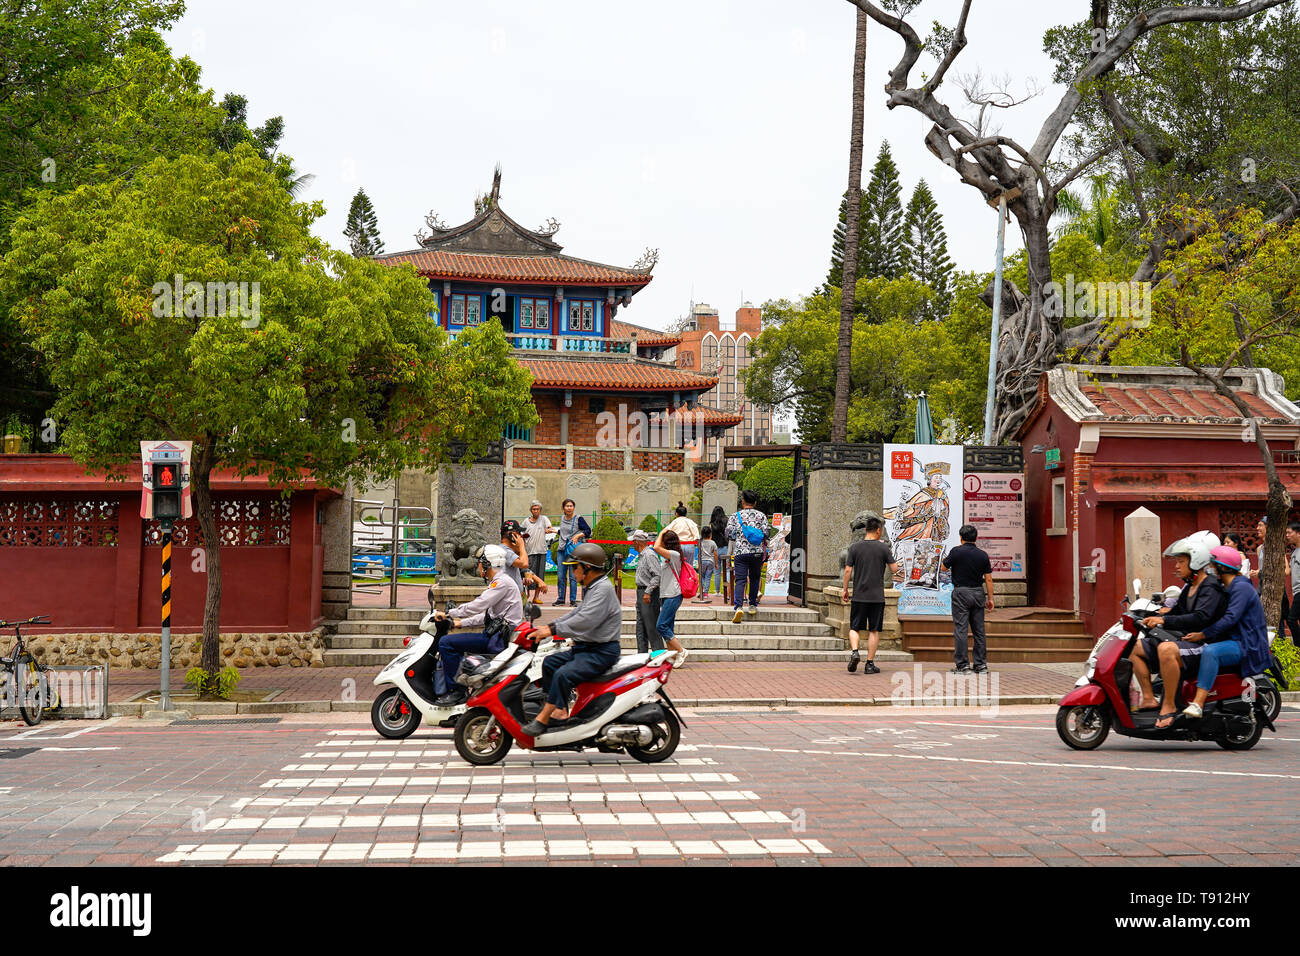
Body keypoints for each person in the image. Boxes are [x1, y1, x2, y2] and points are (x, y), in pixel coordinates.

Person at [520, 543, 624, 737]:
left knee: (563, 675)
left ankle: (543, 718)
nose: (573, 572)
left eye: (575, 567)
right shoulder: (594, 587)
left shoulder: (602, 590)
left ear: (587, 568)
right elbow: (577, 613)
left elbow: (585, 621)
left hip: (601, 651)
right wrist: (548, 627)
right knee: (550, 663)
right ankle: (559, 710)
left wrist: (552, 630)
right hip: (586, 649)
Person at [1131, 535, 1227, 729]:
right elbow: (1178, 612)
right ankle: (1149, 698)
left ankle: (1170, 705)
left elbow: (1201, 618)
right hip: (1186, 641)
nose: (1176, 566)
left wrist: (1164, 620)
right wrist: (1153, 616)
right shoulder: (1190, 586)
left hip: (1203, 644)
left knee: (1166, 649)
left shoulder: (1210, 587)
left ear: (1196, 562)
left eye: (1181, 562)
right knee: (1134, 647)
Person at [1180, 545, 1273, 718]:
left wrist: (1203, 634)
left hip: (1247, 643)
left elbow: (1230, 618)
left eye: (1213, 566)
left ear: (1222, 567)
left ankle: (1198, 703)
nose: (1210, 570)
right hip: (1237, 640)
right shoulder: (1229, 588)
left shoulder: (1241, 588)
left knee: (1211, 652)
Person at [432, 545, 524, 705]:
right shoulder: (501, 581)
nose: (478, 565)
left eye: (480, 562)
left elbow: (478, 605)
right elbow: (488, 617)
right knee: (454, 643)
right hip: (495, 635)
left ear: (489, 563)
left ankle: (457, 692)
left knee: (446, 643)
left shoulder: (501, 583)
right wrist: (459, 623)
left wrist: (448, 613)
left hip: (498, 639)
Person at [841, 516, 899, 674]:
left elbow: (847, 570)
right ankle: (870, 664)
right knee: (874, 630)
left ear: (866, 530)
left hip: (859, 595)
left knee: (854, 627)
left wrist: (845, 589)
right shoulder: (883, 548)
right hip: (877, 597)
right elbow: (894, 569)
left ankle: (854, 652)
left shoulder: (854, 548)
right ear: (879, 530)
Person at [942, 524, 994, 674]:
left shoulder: (956, 552)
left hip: (961, 593)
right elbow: (989, 579)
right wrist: (990, 598)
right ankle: (981, 665)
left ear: (961, 537)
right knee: (979, 631)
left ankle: (963, 665)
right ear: (976, 538)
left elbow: (944, 567)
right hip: (978, 593)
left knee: (961, 630)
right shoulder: (983, 555)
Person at [726, 490, 769, 624]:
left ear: (743, 502)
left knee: (740, 579)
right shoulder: (761, 516)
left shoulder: (735, 516)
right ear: (755, 502)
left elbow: (728, 534)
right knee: (755, 578)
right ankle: (752, 605)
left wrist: (738, 535)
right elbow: (766, 533)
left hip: (741, 552)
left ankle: (739, 606)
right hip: (757, 552)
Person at [653, 528, 690, 665]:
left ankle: (681, 651)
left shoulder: (674, 555)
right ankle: (671, 655)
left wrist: (662, 532)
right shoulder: (671, 556)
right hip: (667, 594)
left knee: (661, 625)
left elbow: (656, 547)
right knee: (668, 626)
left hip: (673, 594)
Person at [553, 498, 592, 607]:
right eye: (567, 506)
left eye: (571, 506)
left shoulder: (578, 519)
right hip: (561, 550)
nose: (569, 508)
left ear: (574, 507)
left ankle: (573, 600)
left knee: (573, 576)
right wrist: (554, 531)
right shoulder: (562, 518)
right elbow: (564, 533)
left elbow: (588, 531)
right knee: (561, 576)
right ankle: (560, 599)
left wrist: (578, 536)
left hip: (573, 551)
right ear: (563, 508)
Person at [631, 529, 663, 653]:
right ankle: (642, 656)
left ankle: (658, 655)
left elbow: (657, 575)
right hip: (642, 593)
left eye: (633, 542)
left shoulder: (649, 555)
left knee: (651, 628)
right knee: (641, 628)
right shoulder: (643, 555)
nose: (632, 544)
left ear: (638, 542)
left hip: (648, 594)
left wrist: (648, 592)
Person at [500, 520, 546, 597]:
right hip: (508, 597)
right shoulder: (504, 550)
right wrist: (521, 546)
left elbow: (522, 570)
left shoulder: (509, 551)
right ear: (512, 535)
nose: (522, 539)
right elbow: (524, 564)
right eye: (519, 535)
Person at [520, 502, 553, 603]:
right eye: (534, 509)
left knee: (540, 575)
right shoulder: (526, 521)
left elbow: (549, 527)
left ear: (540, 510)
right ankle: (527, 596)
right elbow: (521, 532)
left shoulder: (543, 519)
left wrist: (548, 530)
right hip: (529, 552)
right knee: (528, 575)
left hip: (542, 551)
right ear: (531, 510)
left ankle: (536, 597)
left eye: (538, 509)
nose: (536, 511)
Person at [709, 506, 729, 595]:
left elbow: (710, 537)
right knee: (728, 570)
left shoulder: (712, 524)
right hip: (726, 548)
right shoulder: (727, 521)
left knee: (717, 571)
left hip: (715, 549)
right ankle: (728, 591)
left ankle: (718, 591)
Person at [695, 527, 718, 603]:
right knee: (708, 577)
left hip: (702, 561)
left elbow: (699, 554)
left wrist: (698, 564)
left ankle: (701, 591)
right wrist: (716, 563)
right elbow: (715, 554)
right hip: (710, 561)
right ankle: (706, 593)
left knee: (701, 577)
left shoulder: (700, 542)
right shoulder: (713, 543)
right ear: (710, 534)